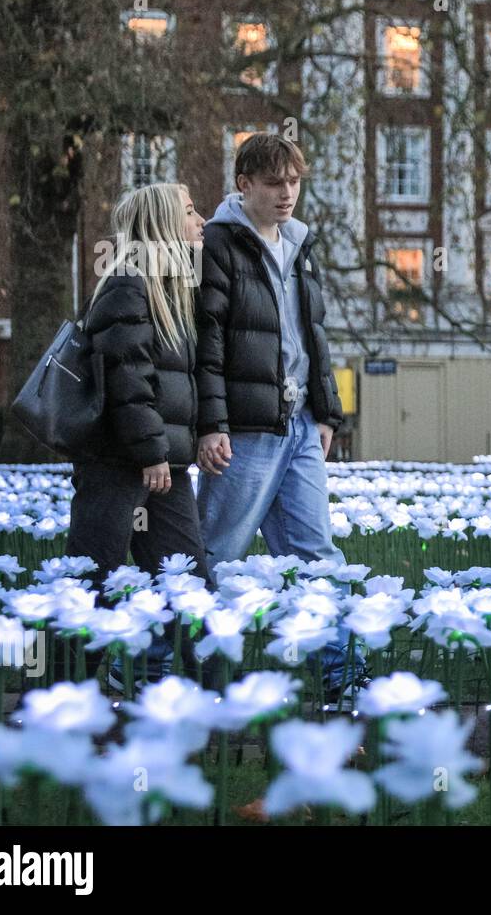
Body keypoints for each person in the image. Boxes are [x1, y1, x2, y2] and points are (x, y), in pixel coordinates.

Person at [194, 132, 363, 699]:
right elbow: (208, 341)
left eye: (293, 181)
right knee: (219, 555)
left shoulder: (299, 242)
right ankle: (181, 673)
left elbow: (312, 337)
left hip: (299, 428)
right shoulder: (219, 243)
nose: (287, 192)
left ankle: (339, 675)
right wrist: (211, 424)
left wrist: (325, 412)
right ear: (244, 185)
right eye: (273, 182)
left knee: (316, 554)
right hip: (244, 430)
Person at [65, 182, 210, 683]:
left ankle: (210, 703)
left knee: (188, 582)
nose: (201, 221)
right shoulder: (128, 284)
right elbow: (129, 379)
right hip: (119, 467)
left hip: (162, 466)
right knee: (93, 583)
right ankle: (52, 707)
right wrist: (152, 452)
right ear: (164, 224)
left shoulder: (172, 288)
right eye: (191, 212)